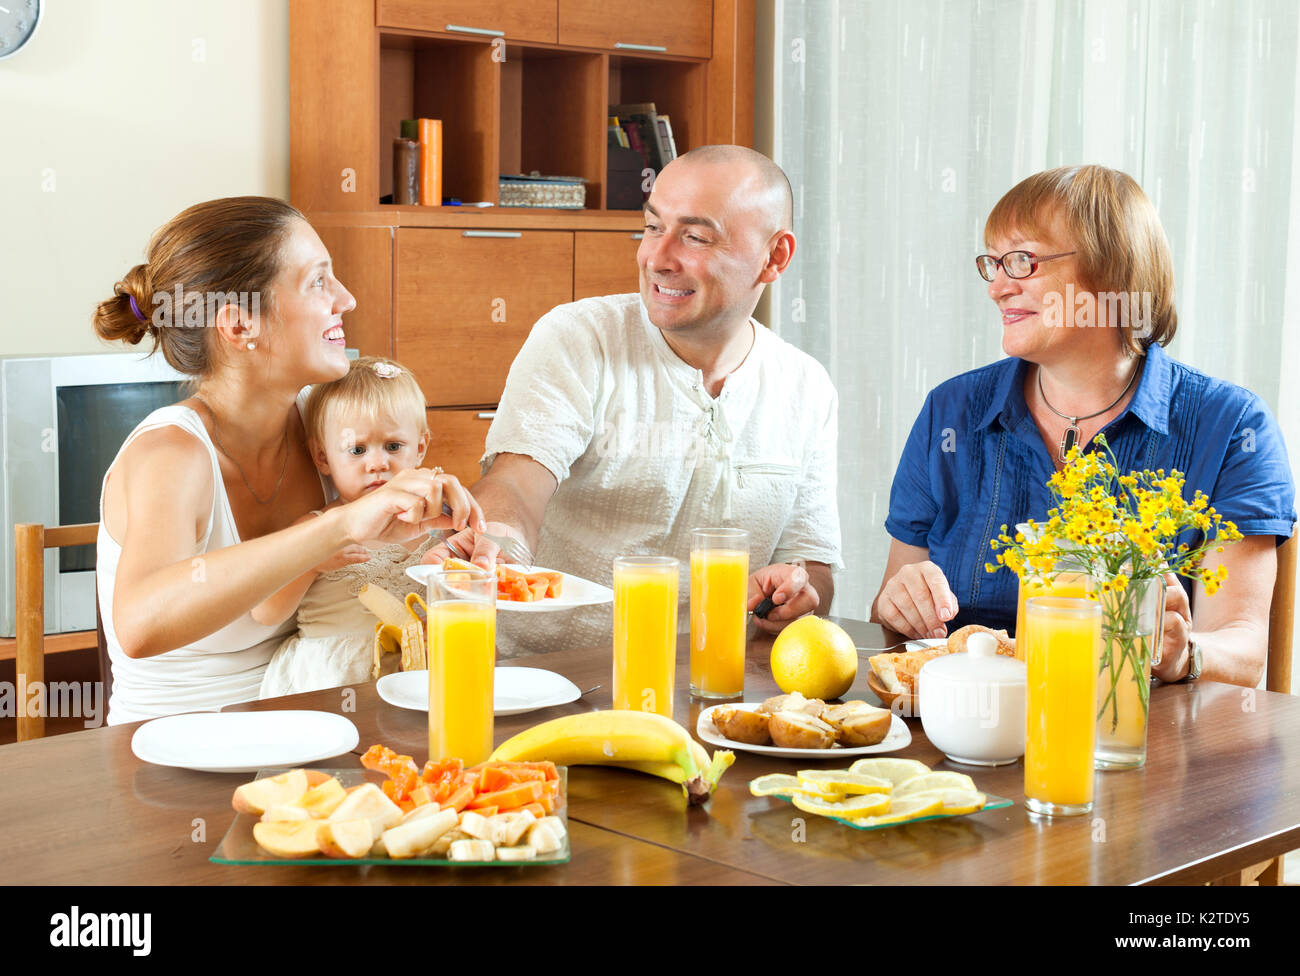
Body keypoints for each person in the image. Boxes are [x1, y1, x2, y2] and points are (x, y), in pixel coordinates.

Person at [873, 165, 1295, 687]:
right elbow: (891, 615)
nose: (998, 288)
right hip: (968, 734)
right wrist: (900, 602)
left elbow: (1244, 649)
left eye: (1023, 261)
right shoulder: (951, 411)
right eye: (994, 263)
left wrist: (1182, 653)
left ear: (1114, 271)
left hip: (1139, 743)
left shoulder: (1230, 426)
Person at [425, 145, 843, 655]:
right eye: (651, 227)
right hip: (548, 677)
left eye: (694, 236)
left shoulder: (807, 387)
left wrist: (800, 591)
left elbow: (813, 566)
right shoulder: (579, 337)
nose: (657, 258)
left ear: (775, 256)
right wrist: (501, 545)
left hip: (710, 684)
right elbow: (516, 482)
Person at [93, 197, 483, 724]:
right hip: (175, 757)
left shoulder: (328, 428)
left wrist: (431, 533)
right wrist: (338, 525)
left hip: (311, 723)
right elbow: (138, 626)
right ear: (239, 326)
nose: (346, 298)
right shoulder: (172, 452)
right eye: (318, 281)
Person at [256, 356, 439, 697]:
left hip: (418, 676)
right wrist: (312, 563)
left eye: (394, 446)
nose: (377, 463)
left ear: (420, 448)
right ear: (323, 457)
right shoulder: (317, 527)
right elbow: (266, 611)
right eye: (357, 449)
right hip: (332, 679)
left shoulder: (437, 528)